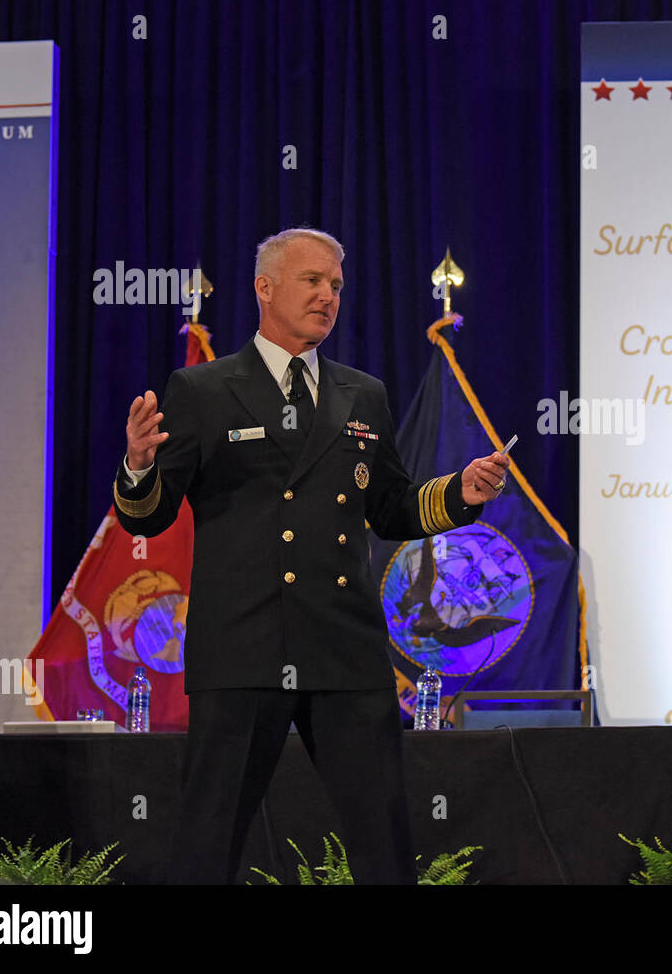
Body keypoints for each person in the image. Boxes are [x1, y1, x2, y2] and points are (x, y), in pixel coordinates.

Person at [112, 227, 510, 884]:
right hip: (243, 649)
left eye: (336, 286)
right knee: (207, 843)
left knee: (383, 843)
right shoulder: (203, 390)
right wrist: (136, 467)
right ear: (265, 288)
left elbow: (390, 508)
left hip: (343, 650)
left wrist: (459, 495)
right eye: (312, 281)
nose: (327, 296)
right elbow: (152, 512)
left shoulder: (364, 395)